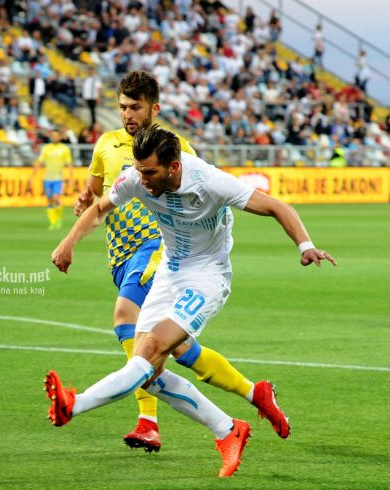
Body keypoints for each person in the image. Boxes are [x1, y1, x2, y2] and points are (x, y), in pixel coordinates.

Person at [46, 124, 337, 476]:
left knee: (152, 348)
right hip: (169, 272)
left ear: (174, 166)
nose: (144, 179)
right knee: (148, 374)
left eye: (151, 172)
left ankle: (72, 406)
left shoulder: (209, 180)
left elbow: (277, 206)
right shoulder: (137, 178)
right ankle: (228, 429)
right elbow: (99, 208)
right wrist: (68, 242)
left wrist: (306, 247)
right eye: (140, 170)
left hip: (206, 278)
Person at [74, 71, 290, 453]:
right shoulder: (106, 144)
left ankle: (148, 420)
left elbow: (195, 192)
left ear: (153, 109)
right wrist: (83, 203)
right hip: (119, 250)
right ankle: (252, 394)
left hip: (158, 250)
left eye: (135, 107)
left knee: (131, 324)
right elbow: (96, 192)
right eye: (122, 107)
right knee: (178, 348)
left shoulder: (178, 151)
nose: (127, 115)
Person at [32, 129, 73, 230]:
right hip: (47, 178)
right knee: (50, 200)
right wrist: (32, 175)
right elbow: (40, 161)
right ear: (51, 137)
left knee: (55, 198)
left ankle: (58, 219)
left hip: (58, 178)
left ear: (60, 137)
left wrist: (71, 177)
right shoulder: (46, 148)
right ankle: (53, 222)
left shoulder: (64, 149)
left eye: (56, 136)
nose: (55, 137)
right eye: (53, 136)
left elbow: (69, 164)